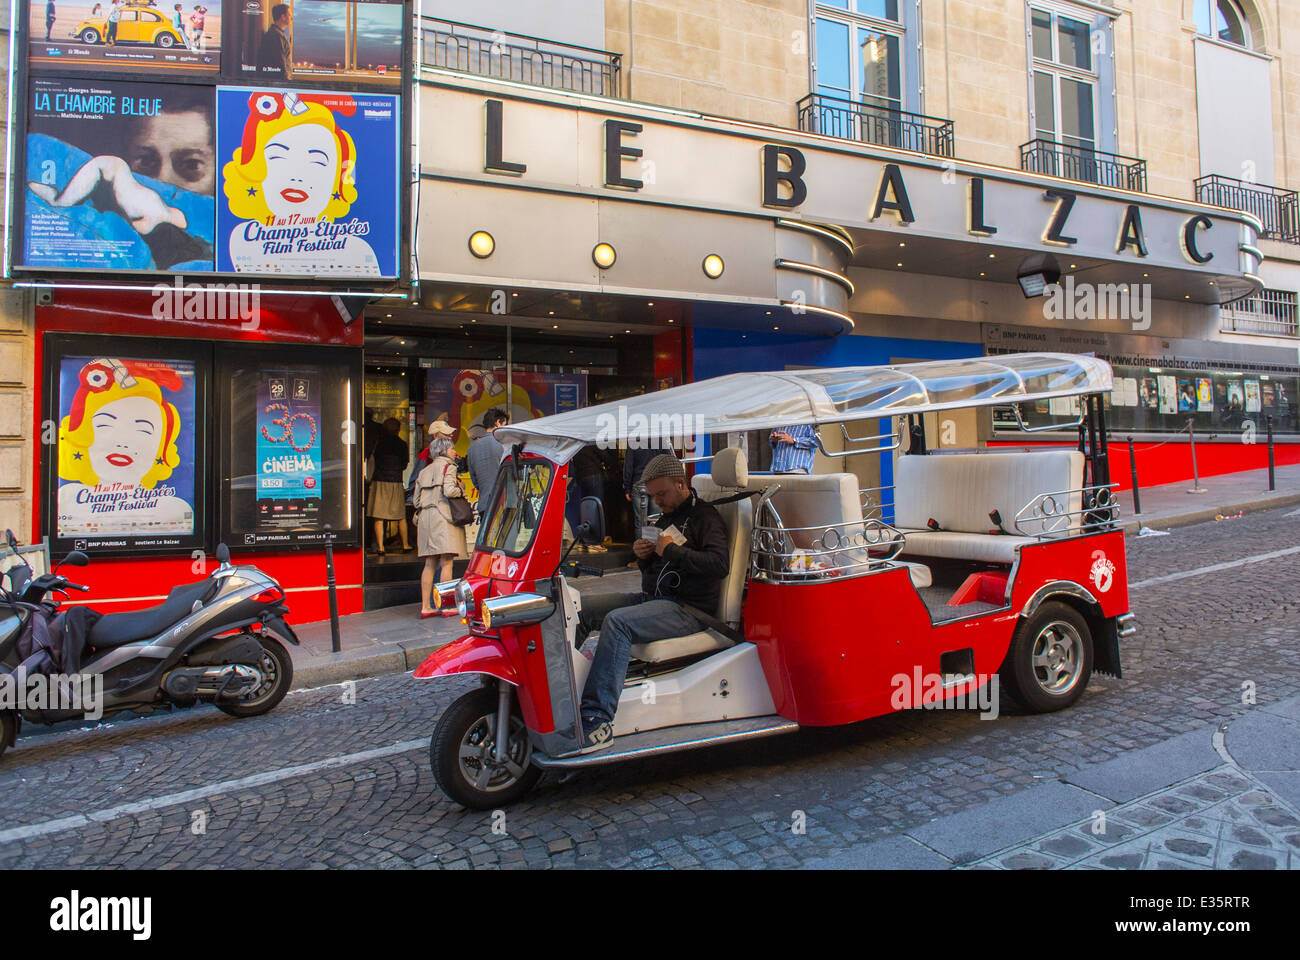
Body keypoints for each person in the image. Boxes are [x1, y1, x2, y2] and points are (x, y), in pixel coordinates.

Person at [576, 454, 730, 751]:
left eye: (662, 494)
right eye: (653, 495)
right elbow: (656, 572)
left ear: (681, 484)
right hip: (656, 600)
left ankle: (598, 717)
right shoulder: (665, 518)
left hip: (688, 610)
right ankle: (571, 689)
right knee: (581, 608)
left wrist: (671, 552)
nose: (657, 501)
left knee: (618, 622)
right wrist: (644, 558)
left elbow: (719, 564)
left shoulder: (706, 518)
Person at [221, 89, 380, 275]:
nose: (296, 177)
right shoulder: (243, 238)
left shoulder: (359, 252)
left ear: (338, 177)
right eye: (278, 156)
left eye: (318, 161)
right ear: (256, 167)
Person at [56, 358, 193, 537]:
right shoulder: (66, 500)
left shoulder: (174, 510)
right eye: (105, 425)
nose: (123, 443)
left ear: (161, 446)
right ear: (84, 435)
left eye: (143, 429)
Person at [415, 424, 466, 619]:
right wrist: (460, 488)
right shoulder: (448, 467)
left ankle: (426, 606)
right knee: (447, 562)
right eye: (452, 448)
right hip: (442, 517)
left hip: (425, 519)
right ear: (445, 450)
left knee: (429, 563)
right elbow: (449, 491)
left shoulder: (424, 471)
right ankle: (446, 606)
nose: (454, 451)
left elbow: (417, 500)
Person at [366, 418, 410, 556]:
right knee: (400, 515)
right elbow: (404, 464)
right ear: (398, 429)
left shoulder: (379, 444)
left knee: (379, 516)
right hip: (396, 482)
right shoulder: (402, 445)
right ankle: (405, 544)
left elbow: (373, 460)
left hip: (380, 481)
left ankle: (380, 547)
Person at [467, 407, 507, 519]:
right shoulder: (504, 443)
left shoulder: (472, 448)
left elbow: (474, 480)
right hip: (504, 503)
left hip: (484, 504)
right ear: (498, 422)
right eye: (504, 424)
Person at [256, 3, 292, 79]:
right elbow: (280, 62)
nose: (291, 17)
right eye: (289, 15)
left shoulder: (277, 34)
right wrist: (287, 79)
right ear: (283, 17)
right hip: (281, 81)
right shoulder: (276, 36)